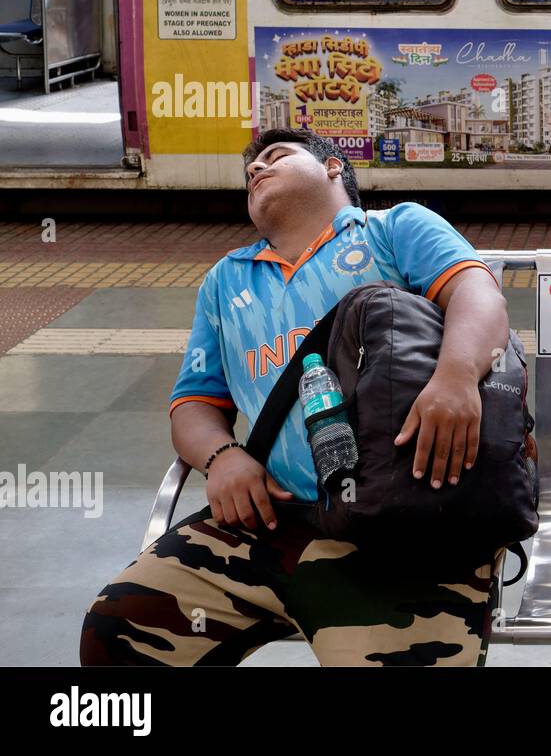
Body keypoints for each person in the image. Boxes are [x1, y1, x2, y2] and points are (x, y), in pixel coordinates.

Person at [80, 128, 511, 666]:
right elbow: (194, 402)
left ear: (333, 167)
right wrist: (221, 456)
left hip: (405, 526)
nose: (256, 170)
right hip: (271, 521)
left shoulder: (393, 229)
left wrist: (456, 376)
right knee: (117, 629)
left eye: (275, 157)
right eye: (248, 172)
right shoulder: (225, 281)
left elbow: (478, 294)